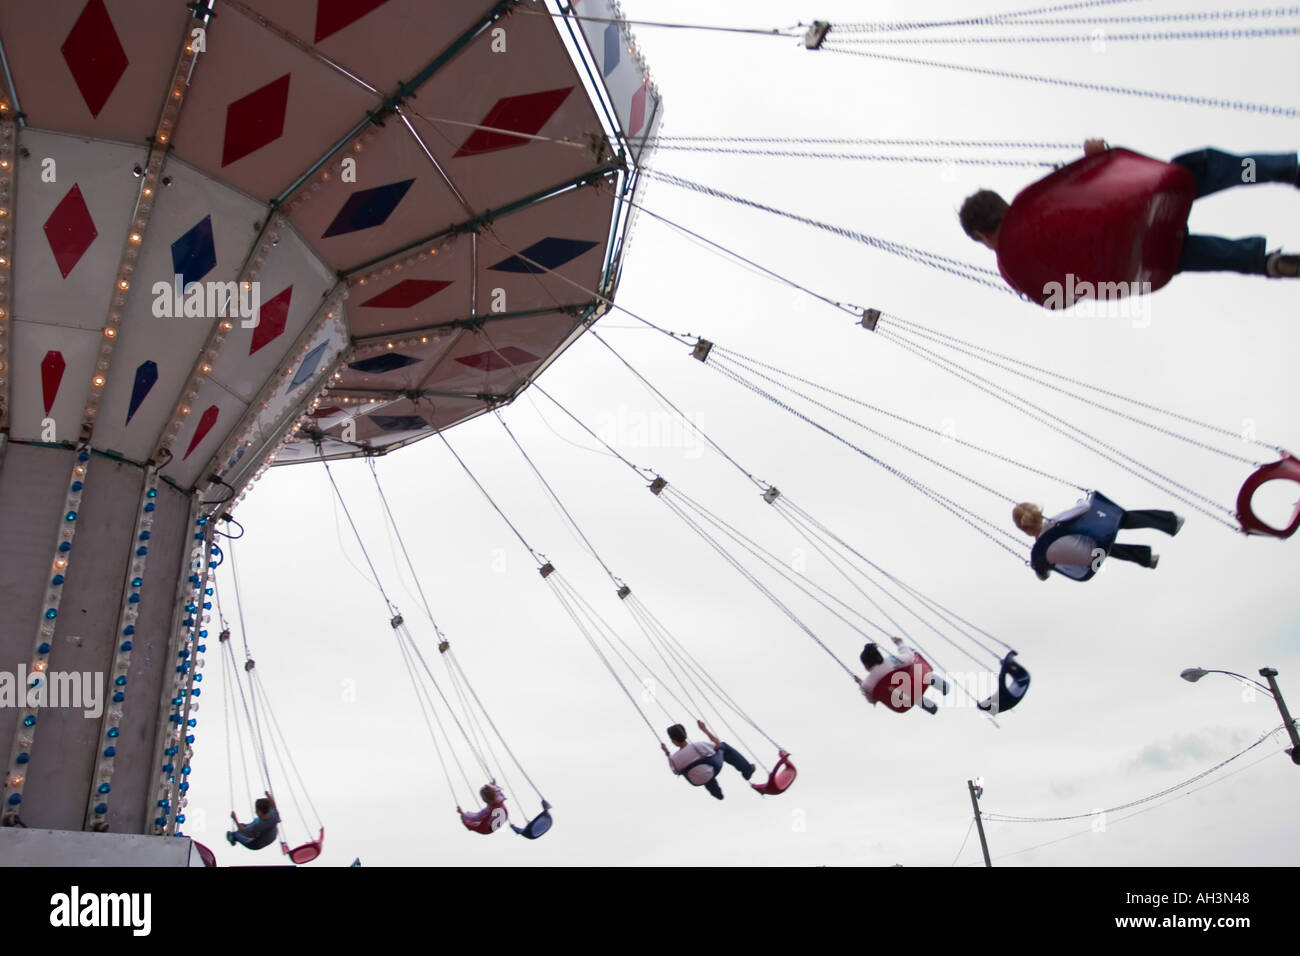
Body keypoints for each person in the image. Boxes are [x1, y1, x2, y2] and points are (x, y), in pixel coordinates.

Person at [960, 141, 1300, 290]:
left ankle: (1264, 263)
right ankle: (1281, 170)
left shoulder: (1015, 271)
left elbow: (1056, 300)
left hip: (1131, 260)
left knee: (1181, 255)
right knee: (1208, 169)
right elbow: (1086, 191)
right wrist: (1098, 157)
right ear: (1004, 206)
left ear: (982, 237)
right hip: (1136, 210)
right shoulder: (1034, 207)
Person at [1013, 497, 1183, 580]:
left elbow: (1043, 576)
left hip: (1094, 565)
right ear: (1039, 514)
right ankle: (1170, 522)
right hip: (1101, 540)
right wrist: (1080, 499)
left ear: (1023, 529)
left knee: (1097, 549)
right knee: (1117, 518)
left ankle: (1147, 559)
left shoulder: (1038, 554)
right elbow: (1085, 506)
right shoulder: (1055, 522)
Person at [662, 720, 755, 800]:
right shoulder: (697, 746)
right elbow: (717, 745)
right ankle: (746, 769)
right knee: (723, 746)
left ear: (673, 740)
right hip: (712, 770)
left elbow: (675, 770)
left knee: (701, 770)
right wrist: (704, 729)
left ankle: (716, 792)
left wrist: (667, 753)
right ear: (685, 735)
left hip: (695, 781)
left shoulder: (673, 758)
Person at [854, 638, 948, 715]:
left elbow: (871, 699)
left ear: (866, 665)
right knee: (919, 670)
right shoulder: (893, 660)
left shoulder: (867, 684)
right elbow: (910, 657)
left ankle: (932, 708)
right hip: (917, 683)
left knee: (906, 695)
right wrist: (900, 643)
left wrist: (860, 683)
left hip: (902, 701)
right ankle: (943, 686)